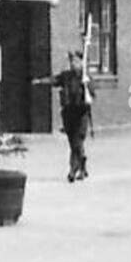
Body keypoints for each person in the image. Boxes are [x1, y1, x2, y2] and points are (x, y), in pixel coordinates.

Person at [33, 51, 91, 182]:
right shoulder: (67, 76)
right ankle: (82, 166)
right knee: (74, 143)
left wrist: (86, 87)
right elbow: (54, 80)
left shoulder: (85, 78)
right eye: (71, 61)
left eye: (76, 61)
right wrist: (40, 81)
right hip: (69, 114)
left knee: (77, 141)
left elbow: (91, 95)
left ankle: (73, 170)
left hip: (81, 115)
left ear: (82, 62)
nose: (73, 64)